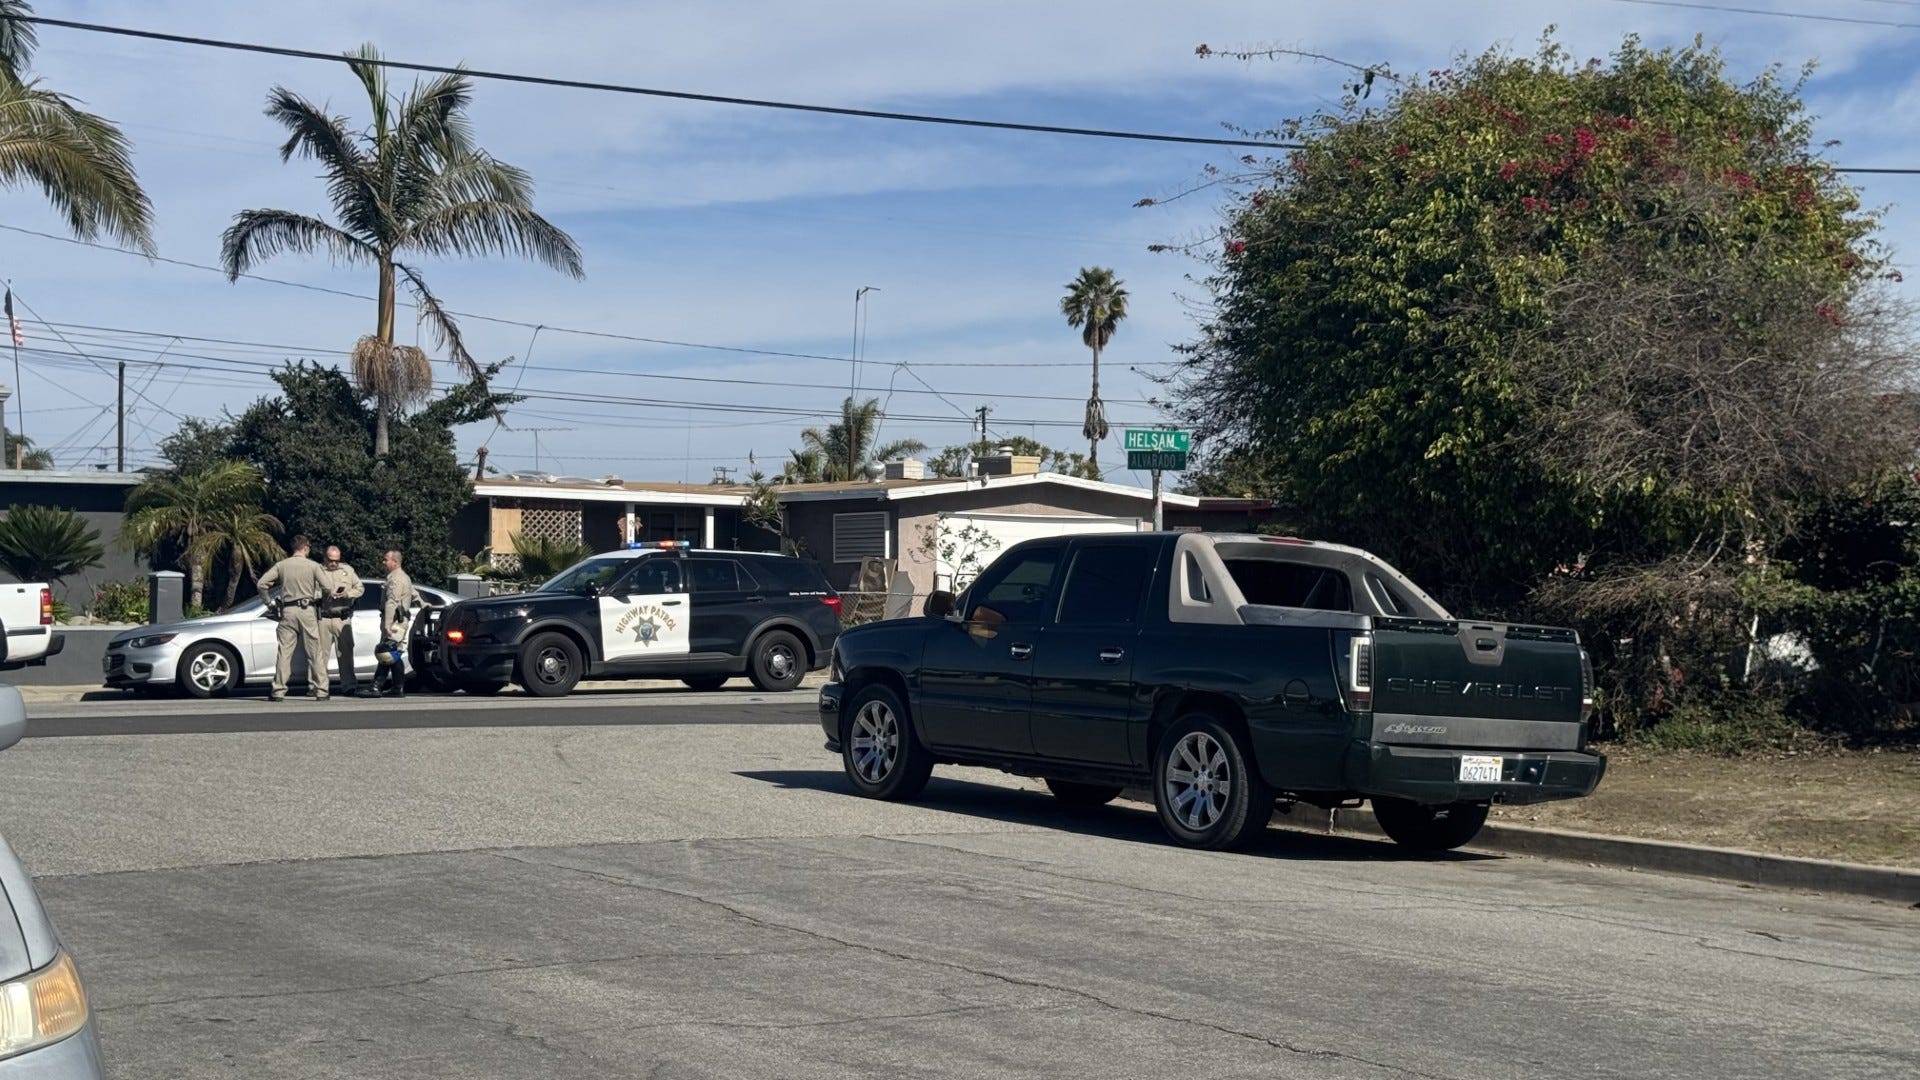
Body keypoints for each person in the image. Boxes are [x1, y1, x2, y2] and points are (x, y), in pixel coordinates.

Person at [256, 535, 326, 701]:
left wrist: (269, 603)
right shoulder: (313, 566)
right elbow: (328, 587)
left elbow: (261, 584)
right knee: (314, 651)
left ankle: (278, 690)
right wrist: (317, 594)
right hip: (307, 610)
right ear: (306, 548)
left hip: (287, 610)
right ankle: (321, 690)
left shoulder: (282, 565)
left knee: (284, 652)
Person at [359, 549, 418, 698]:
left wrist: (387, 625)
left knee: (386, 652)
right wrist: (423, 603)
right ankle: (397, 687)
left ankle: (376, 686)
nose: (383, 562)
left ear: (395, 562)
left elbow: (392, 602)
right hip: (399, 621)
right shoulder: (404, 577)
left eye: (386, 560)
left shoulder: (395, 579)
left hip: (395, 622)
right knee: (392, 654)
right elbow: (413, 593)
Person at [316, 545, 365, 697]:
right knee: (320, 655)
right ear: (325, 558)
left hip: (342, 618)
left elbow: (360, 588)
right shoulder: (317, 571)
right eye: (331, 560)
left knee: (345, 654)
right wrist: (323, 594)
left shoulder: (347, 570)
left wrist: (348, 594)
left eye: (336, 561)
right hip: (324, 617)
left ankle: (349, 685)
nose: (334, 563)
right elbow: (310, 591)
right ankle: (321, 688)